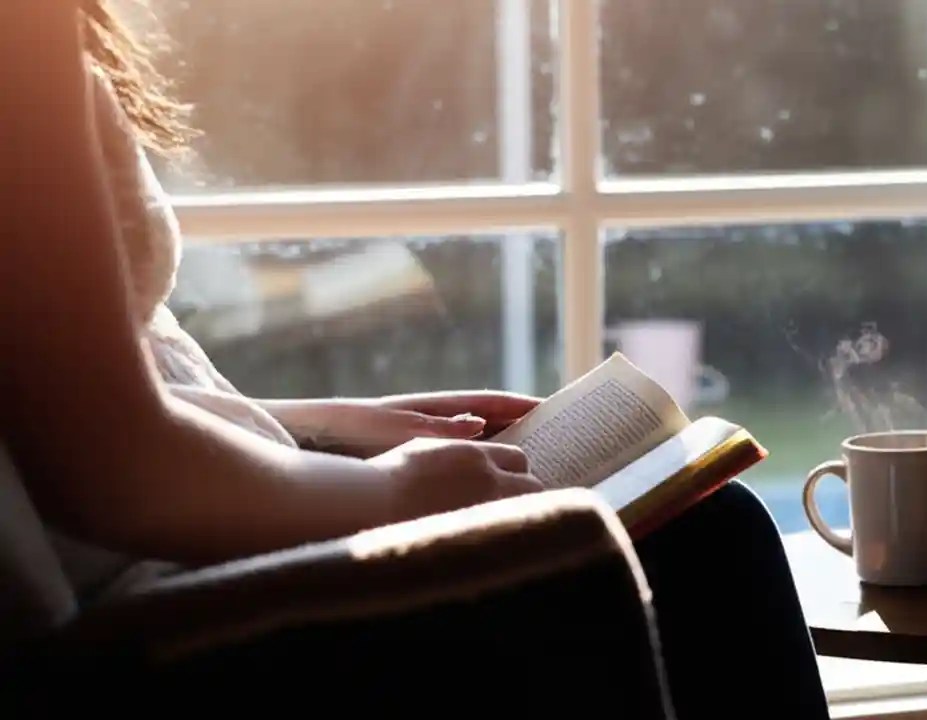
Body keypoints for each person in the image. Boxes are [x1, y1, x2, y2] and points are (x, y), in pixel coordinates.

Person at [0, 2, 828, 717]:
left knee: (705, 533)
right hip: (169, 630)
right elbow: (114, 470)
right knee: (706, 545)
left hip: (181, 559)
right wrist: (391, 494)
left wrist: (327, 431)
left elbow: (62, 399)